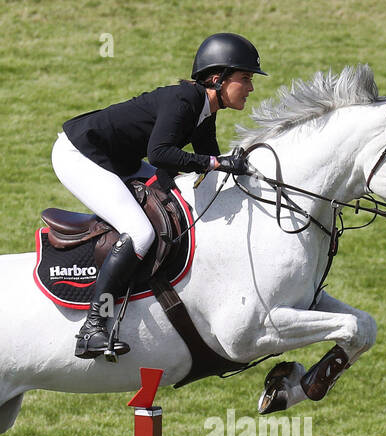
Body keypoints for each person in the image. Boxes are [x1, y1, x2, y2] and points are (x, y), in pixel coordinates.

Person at [52, 33, 266, 359]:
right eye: (245, 78)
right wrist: (215, 162)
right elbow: (161, 154)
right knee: (140, 232)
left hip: (117, 160)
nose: (250, 88)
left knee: (174, 202)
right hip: (79, 155)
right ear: (216, 78)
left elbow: (209, 164)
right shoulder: (184, 101)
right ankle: (92, 328)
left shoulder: (205, 111)